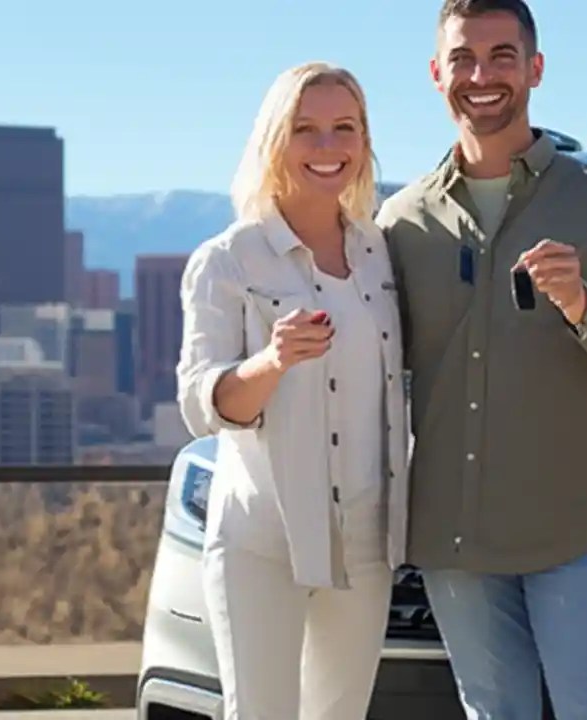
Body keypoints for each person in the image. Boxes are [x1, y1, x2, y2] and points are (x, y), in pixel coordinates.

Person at [375, 1, 587, 718]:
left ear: (535, 69)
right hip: (452, 536)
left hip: (571, 528)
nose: (482, 75)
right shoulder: (401, 222)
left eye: (502, 56)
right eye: (464, 58)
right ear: (436, 73)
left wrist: (580, 303)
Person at [175, 61, 409, 720]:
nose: (328, 147)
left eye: (346, 128)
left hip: (366, 541)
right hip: (263, 539)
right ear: (275, 140)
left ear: (365, 141)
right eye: (307, 130)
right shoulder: (227, 260)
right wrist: (271, 362)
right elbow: (202, 406)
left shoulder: (382, 252)